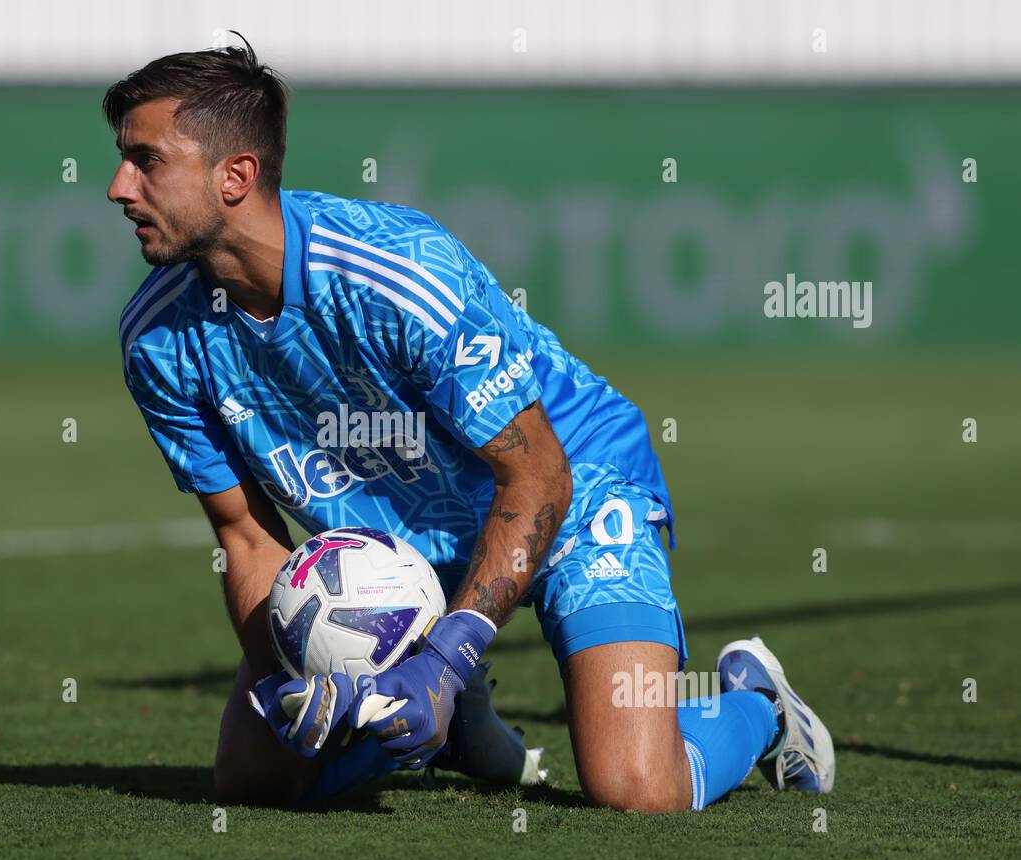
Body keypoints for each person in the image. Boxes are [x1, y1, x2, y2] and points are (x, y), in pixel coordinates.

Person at [104, 37, 834, 810]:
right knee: (256, 779)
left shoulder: (398, 277)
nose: (119, 187)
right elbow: (247, 539)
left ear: (235, 176)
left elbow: (538, 473)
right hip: (394, 549)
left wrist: (446, 661)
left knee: (635, 787)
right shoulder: (154, 340)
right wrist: (302, 676)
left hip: (573, 488)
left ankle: (757, 704)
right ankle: (453, 732)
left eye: (146, 161)